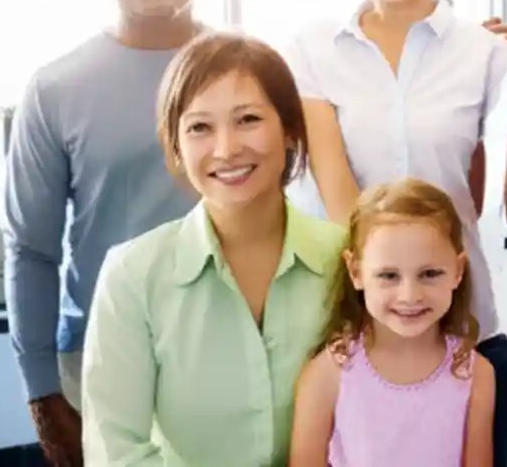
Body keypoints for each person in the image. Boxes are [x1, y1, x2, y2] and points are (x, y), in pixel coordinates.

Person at [281, 0, 507, 465]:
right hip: (362, 337)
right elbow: (342, 200)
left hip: (466, 330)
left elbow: (487, 197)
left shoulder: (488, 56)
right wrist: (390, 292)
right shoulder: (313, 53)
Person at [0, 0, 207, 467]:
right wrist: (42, 392)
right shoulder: (58, 88)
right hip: (98, 358)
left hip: (227, 349)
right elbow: (31, 251)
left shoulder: (245, 73)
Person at [80, 32, 346, 465]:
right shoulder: (132, 275)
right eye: (200, 127)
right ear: (177, 147)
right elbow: (115, 450)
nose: (226, 149)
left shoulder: (347, 261)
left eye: (248, 120)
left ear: (291, 131)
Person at [290, 178, 494, 467]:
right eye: (388, 276)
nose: (409, 295)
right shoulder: (326, 375)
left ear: (458, 271)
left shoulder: (476, 374)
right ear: (356, 272)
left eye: (430, 273)